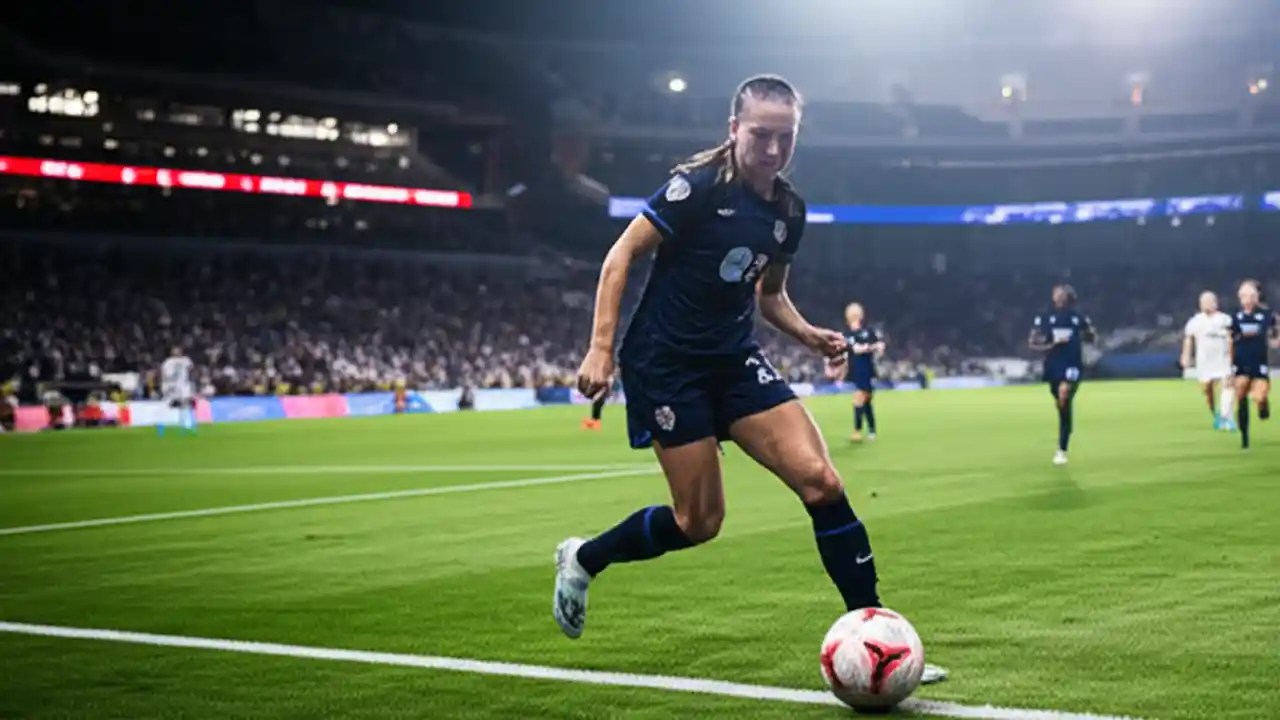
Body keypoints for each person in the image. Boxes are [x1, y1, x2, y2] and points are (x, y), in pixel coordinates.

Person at [553, 74, 945, 684]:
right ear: (734, 129)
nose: (772, 149)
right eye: (760, 134)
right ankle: (584, 557)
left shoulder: (789, 211)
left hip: (732, 358)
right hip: (667, 365)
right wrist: (600, 348)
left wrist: (810, 334)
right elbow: (620, 254)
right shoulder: (697, 189)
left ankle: (877, 638)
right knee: (699, 523)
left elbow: (771, 295)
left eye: (784, 137)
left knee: (821, 481)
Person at [1028, 284, 1096, 466]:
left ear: (1068, 298)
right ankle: (1065, 430)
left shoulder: (1077, 318)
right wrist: (1051, 345)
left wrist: (1088, 334)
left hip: (1072, 364)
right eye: (1056, 294)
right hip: (1053, 365)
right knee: (1061, 404)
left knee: (1064, 396)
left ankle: (1062, 448)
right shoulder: (1044, 318)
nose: (1058, 297)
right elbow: (1032, 343)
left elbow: (1092, 336)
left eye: (1061, 294)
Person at [1229, 280, 1278, 450]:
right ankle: (1245, 438)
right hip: (1241, 363)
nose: (1247, 299)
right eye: (1244, 295)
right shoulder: (1235, 317)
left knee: (1258, 396)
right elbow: (1230, 340)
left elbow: (1275, 334)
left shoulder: (1267, 315)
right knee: (1241, 391)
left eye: (1251, 295)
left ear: (1258, 296)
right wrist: (1229, 365)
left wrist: (1275, 341)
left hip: (1260, 363)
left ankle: (1263, 405)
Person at [1180, 291, 1235, 431]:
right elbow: (1188, 338)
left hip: (1223, 359)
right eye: (1203, 302)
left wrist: (1233, 357)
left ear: (1215, 303)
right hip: (1204, 362)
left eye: (1209, 301)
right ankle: (1215, 412)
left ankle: (1227, 417)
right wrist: (1186, 355)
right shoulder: (1195, 321)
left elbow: (1231, 338)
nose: (1206, 304)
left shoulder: (1225, 319)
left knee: (1227, 385)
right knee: (1207, 389)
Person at [830, 302, 884, 441]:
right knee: (864, 401)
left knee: (861, 400)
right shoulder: (846, 335)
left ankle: (859, 431)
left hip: (866, 370)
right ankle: (869, 430)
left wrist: (872, 347)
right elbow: (852, 351)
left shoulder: (868, 332)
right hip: (855, 371)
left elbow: (880, 346)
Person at [159, 346, 197, 435]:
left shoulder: (185, 360)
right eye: (175, 351)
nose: (177, 353)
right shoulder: (168, 362)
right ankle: (162, 427)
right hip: (172, 386)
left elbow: (191, 370)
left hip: (183, 385)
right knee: (168, 406)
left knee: (185, 404)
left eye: (178, 351)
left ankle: (186, 425)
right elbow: (164, 374)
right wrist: (166, 386)